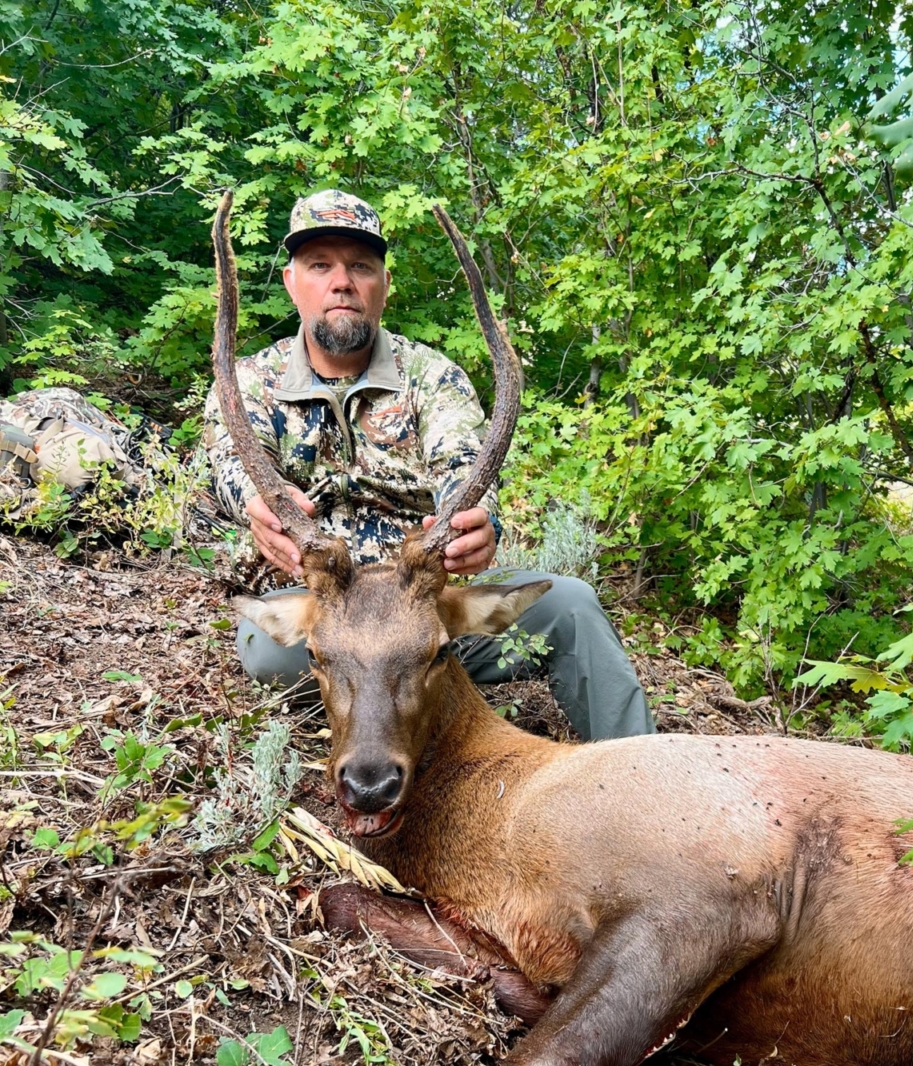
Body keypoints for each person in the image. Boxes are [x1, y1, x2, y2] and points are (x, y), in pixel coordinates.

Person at [203, 189, 654, 742]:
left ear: (384, 286)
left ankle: (637, 766)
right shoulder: (249, 380)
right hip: (330, 608)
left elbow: (467, 469)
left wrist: (473, 524)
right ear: (292, 281)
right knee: (267, 655)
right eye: (320, 265)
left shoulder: (434, 377)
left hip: (428, 606)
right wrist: (256, 504)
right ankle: (394, 698)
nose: (341, 281)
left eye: (360, 266)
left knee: (573, 607)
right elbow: (230, 460)